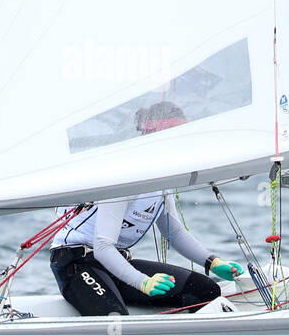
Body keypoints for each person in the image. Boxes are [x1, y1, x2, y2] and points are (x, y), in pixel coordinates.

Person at [49, 101, 244, 316]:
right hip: (76, 264)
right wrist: (143, 283)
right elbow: (103, 246)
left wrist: (212, 262)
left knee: (205, 290)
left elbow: (174, 233)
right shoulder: (125, 176)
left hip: (116, 264)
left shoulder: (162, 179)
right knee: (115, 319)